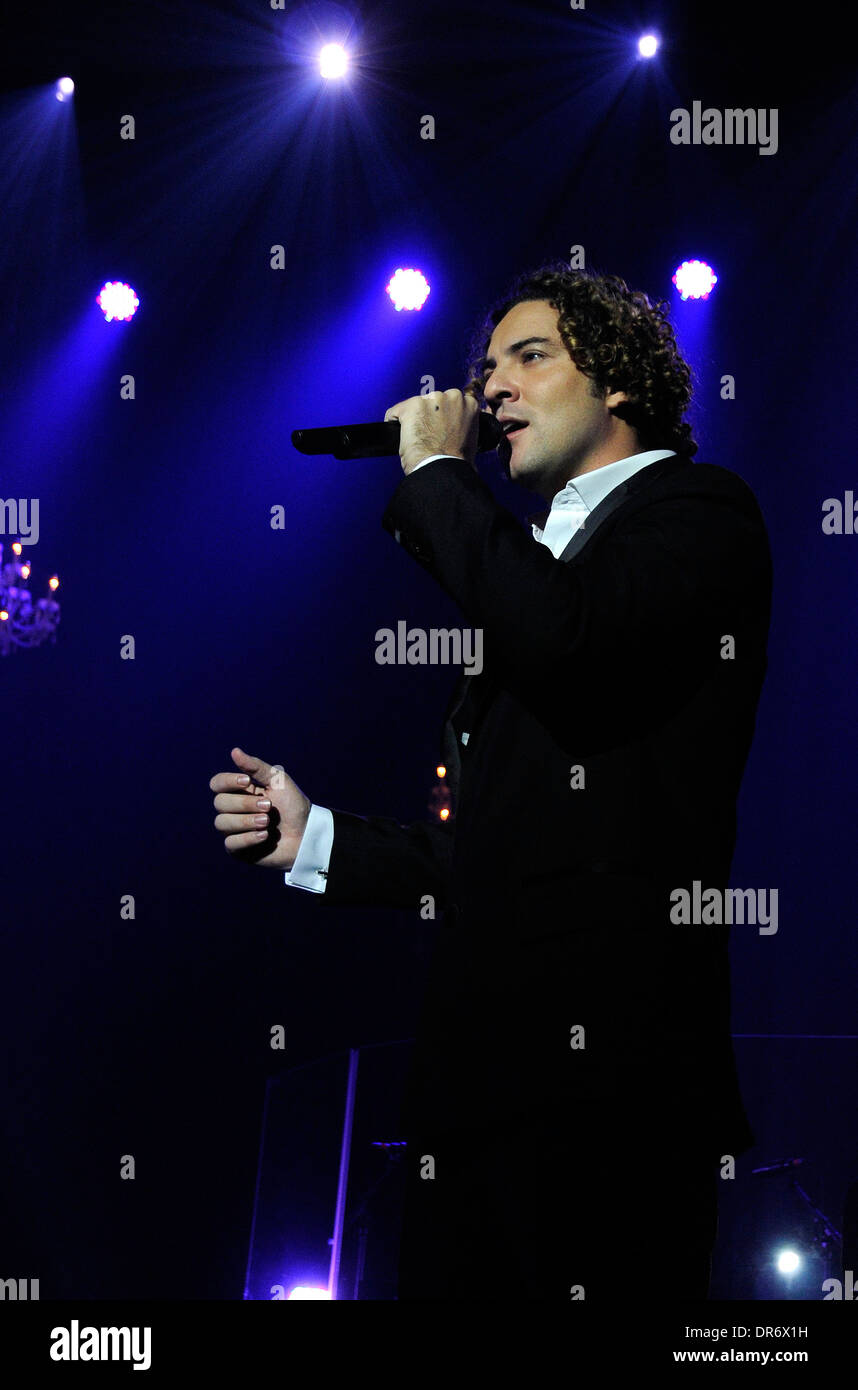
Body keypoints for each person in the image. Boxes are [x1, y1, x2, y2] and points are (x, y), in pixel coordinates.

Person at [210, 262, 772, 1300]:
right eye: (486, 366)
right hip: (477, 1093)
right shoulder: (535, 565)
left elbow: (570, 641)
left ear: (619, 383)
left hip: (613, 1092)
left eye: (531, 356)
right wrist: (319, 838)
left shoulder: (699, 512)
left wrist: (435, 479)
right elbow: (507, 849)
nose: (493, 388)